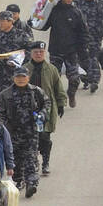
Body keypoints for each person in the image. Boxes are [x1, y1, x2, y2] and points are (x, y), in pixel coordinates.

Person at [0, 65, 48, 198]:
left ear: (28, 78)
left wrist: (42, 114)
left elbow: (46, 104)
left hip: (31, 131)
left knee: (30, 157)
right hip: (13, 132)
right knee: (16, 159)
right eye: (18, 77)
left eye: (23, 77)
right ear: (13, 78)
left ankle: (32, 183)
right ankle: (19, 180)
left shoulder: (36, 92)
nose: (20, 79)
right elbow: (0, 114)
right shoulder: (5, 95)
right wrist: (1, 128)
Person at [36, 0, 90, 106]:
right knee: (54, 78)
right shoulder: (53, 11)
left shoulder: (76, 13)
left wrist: (83, 50)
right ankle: (57, 100)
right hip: (56, 51)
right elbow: (44, 26)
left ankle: (71, 94)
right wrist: (34, 22)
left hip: (71, 51)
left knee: (74, 79)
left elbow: (83, 32)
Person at [27, 41, 67, 177]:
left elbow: (58, 88)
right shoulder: (25, 69)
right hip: (28, 109)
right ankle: (33, 162)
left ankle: (45, 162)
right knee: (31, 138)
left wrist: (61, 103)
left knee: (45, 136)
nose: (38, 54)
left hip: (46, 109)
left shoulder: (51, 69)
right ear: (31, 53)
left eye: (41, 52)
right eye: (36, 52)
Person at [75, 0, 103, 93]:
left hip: (95, 36)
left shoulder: (101, 4)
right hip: (80, 37)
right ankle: (85, 79)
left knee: (93, 58)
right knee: (81, 59)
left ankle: (95, 81)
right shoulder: (77, 4)